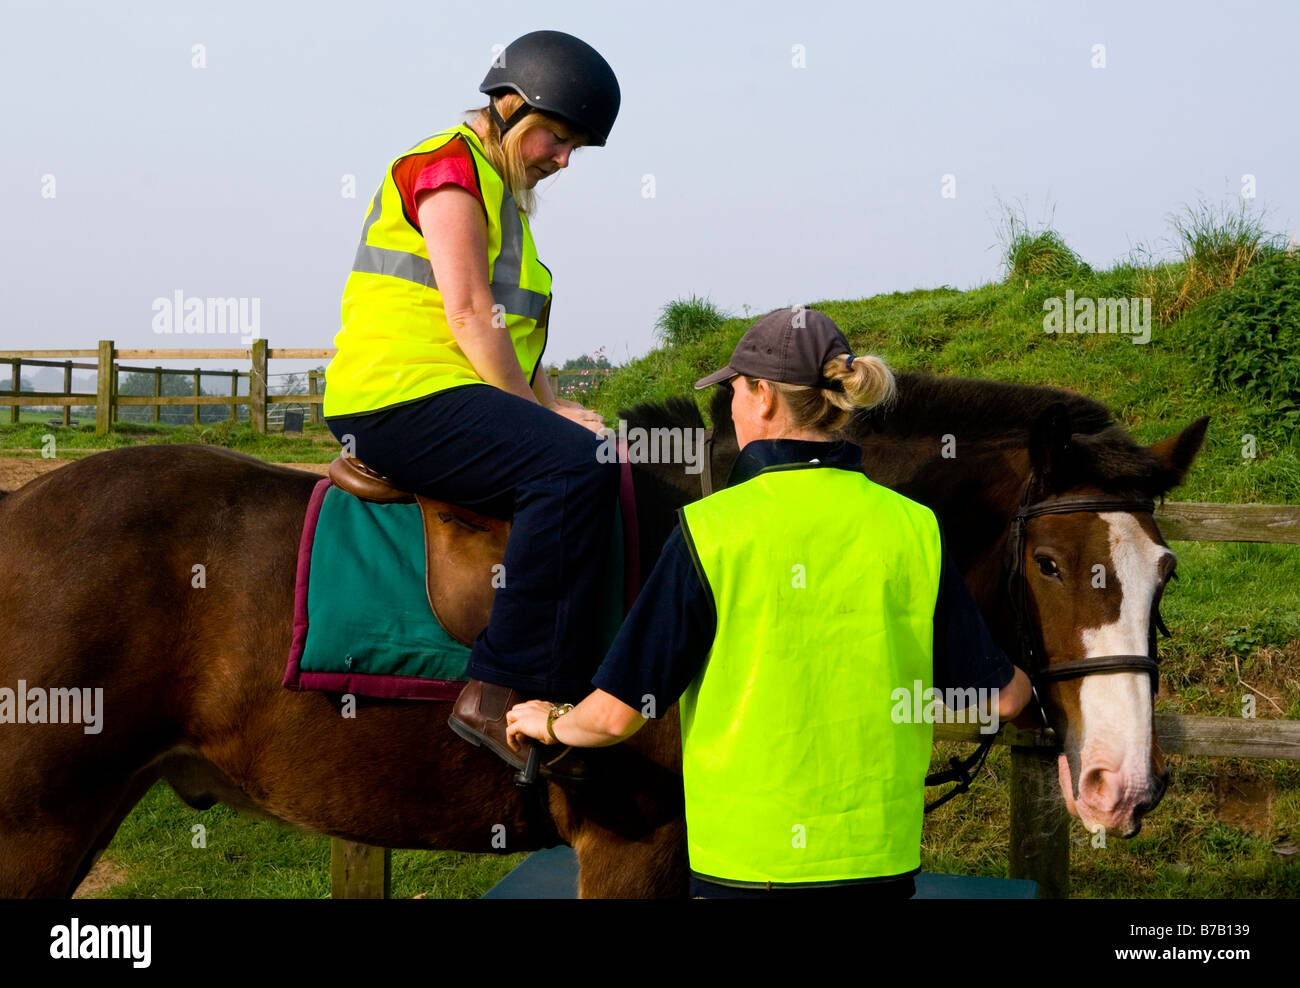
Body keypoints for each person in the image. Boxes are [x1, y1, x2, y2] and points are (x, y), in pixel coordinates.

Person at [507, 307, 1033, 897]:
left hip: (743, 867)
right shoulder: (914, 529)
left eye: (733, 390)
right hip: (876, 866)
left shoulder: (709, 531)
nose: (730, 407)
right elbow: (1005, 697)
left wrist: (550, 720)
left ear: (762, 397)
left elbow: (614, 716)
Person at [322, 30, 622, 773]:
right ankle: (497, 693)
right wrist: (542, 420)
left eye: (576, 146)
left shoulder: (503, 197)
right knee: (573, 469)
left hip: (448, 390)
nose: (563, 158)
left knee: (593, 451)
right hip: (398, 394)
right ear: (510, 105)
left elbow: (515, 334)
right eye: (558, 137)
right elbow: (466, 313)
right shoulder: (449, 168)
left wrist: (558, 404)